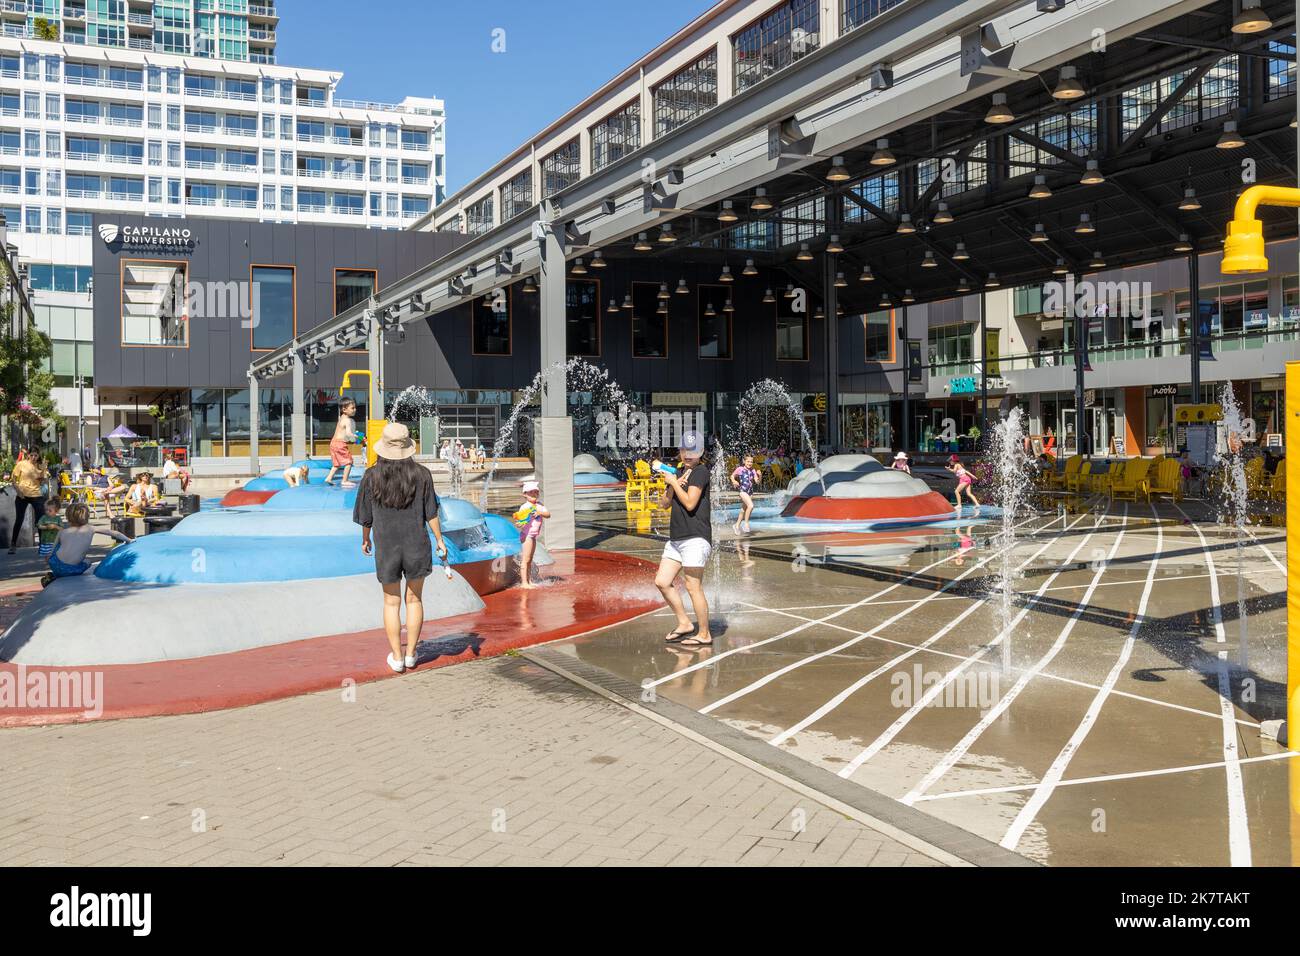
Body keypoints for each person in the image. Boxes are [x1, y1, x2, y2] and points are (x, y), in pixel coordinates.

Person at [353, 422, 449, 675]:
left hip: (387, 545)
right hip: (416, 543)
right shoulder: (422, 474)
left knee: (391, 602)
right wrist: (439, 540)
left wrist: (366, 539)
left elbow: (366, 516)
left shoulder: (371, 475)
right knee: (415, 599)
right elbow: (431, 513)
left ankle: (396, 656)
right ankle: (411, 655)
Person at [655, 431, 713, 647]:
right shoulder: (678, 471)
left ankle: (704, 633)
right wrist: (672, 483)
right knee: (662, 581)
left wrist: (675, 483)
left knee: (692, 586)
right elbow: (664, 503)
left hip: (695, 537)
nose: (687, 455)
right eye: (684, 451)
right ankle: (684, 623)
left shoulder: (700, 471)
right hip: (677, 538)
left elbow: (690, 503)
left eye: (692, 451)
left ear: (700, 453)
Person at [40, 502, 130, 587]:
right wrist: (128, 540)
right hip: (71, 570)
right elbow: (114, 533)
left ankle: (53, 575)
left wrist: (50, 561)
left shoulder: (62, 531)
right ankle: (57, 574)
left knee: (59, 546)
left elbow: (50, 553)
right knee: (88, 562)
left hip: (54, 563)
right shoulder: (91, 529)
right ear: (87, 517)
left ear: (68, 517)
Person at [8, 447, 48, 554]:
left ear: (38, 456)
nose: (34, 457)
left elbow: (44, 480)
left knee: (40, 521)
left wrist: (43, 469)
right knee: (19, 519)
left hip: (36, 494)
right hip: (22, 495)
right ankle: (13, 544)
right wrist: (18, 491)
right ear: (28, 455)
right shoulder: (21, 464)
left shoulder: (40, 465)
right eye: (32, 455)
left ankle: (42, 545)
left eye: (36, 455)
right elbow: (14, 480)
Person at [513, 479, 551, 588]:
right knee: (526, 559)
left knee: (530, 559)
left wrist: (540, 512)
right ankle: (524, 583)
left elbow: (548, 514)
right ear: (525, 494)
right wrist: (519, 524)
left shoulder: (539, 505)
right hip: (527, 535)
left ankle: (528, 581)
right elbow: (520, 521)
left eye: (536, 492)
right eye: (531, 492)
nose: (534, 494)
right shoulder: (525, 507)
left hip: (533, 536)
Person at [325, 398, 359, 489]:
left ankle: (328, 478)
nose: (354, 409)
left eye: (355, 407)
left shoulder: (341, 418)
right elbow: (348, 433)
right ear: (344, 409)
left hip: (333, 443)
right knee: (349, 461)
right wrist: (356, 437)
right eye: (352, 408)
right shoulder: (347, 420)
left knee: (336, 464)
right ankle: (344, 480)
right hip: (340, 443)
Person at [730, 453, 760, 535]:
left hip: (750, 492)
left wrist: (759, 476)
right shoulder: (740, 469)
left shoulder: (753, 470)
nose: (750, 463)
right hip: (742, 491)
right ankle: (746, 523)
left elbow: (757, 482)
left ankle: (736, 525)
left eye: (751, 462)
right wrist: (734, 481)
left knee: (743, 510)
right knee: (751, 506)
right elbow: (732, 476)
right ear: (744, 461)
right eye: (748, 461)